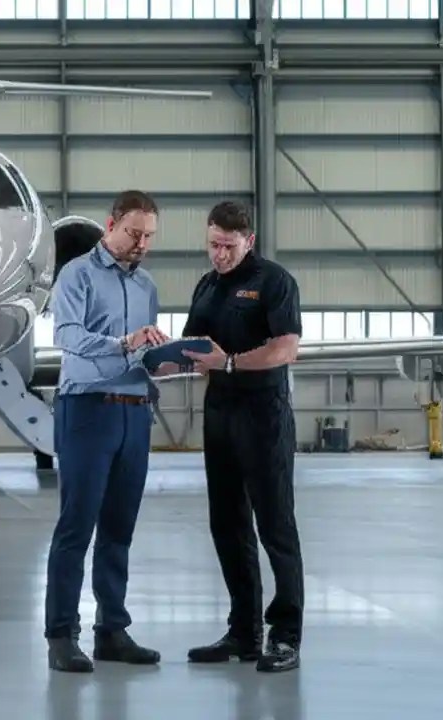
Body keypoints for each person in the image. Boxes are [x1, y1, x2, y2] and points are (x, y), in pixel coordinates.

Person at [43, 190, 182, 673]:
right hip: (87, 410)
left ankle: (112, 631)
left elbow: (143, 351)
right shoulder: (76, 275)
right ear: (111, 225)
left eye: (149, 237)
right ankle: (62, 634)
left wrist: (167, 360)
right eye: (133, 233)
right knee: (76, 527)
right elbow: (66, 336)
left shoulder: (146, 286)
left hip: (135, 412)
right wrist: (124, 342)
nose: (141, 243)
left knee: (119, 529)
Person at [180, 200, 304, 673]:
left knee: (275, 527)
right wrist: (163, 354)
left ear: (248, 241)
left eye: (229, 246)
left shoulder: (274, 282)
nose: (220, 255)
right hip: (220, 416)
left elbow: (285, 348)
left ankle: (285, 636)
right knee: (227, 525)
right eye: (213, 245)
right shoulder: (207, 285)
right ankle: (244, 632)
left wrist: (229, 362)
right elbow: (194, 349)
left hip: (263, 416)